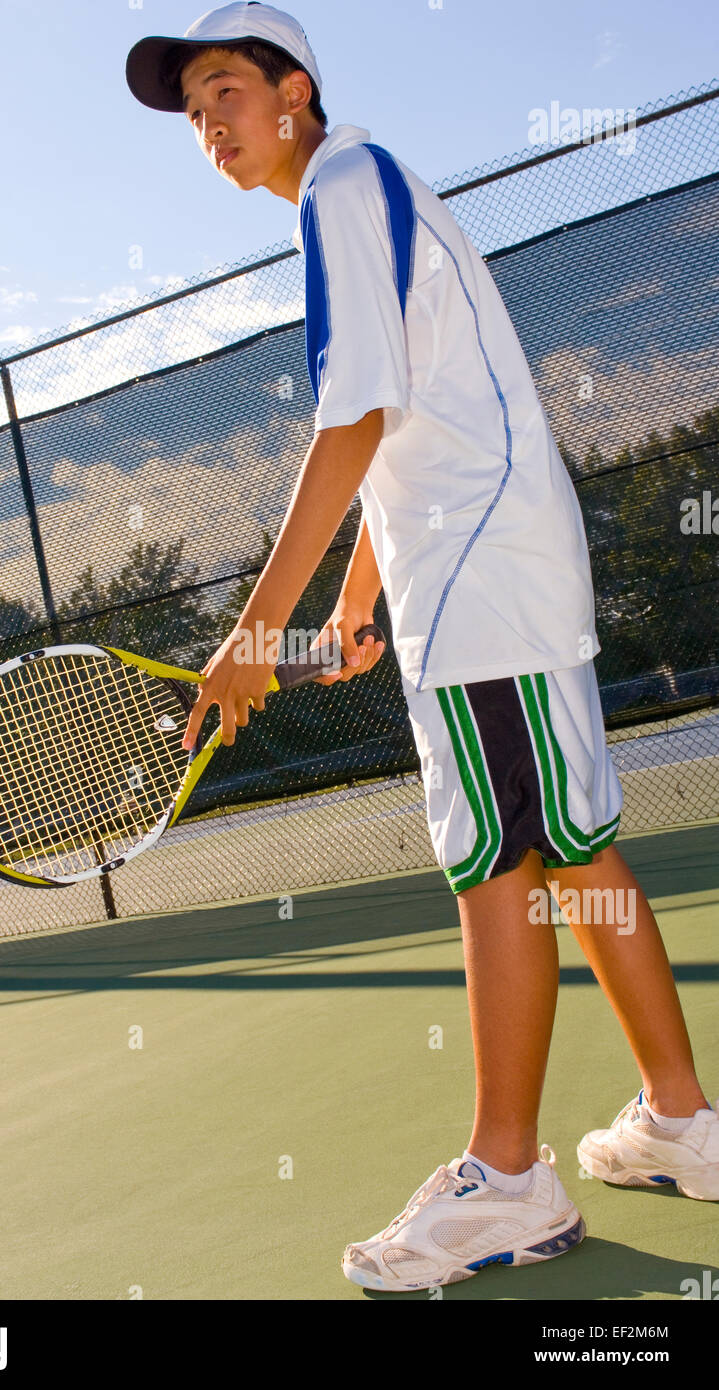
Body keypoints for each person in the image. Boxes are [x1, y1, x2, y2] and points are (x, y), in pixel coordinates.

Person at [126, 3, 718, 1291]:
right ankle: (683, 1118)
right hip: (500, 569)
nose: (208, 124)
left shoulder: (339, 189)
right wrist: (349, 603)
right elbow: (406, 425)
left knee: (493, 861)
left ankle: (507, 1180)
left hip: (482, 587)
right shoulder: (373, 187)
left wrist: (254, 630)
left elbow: (353, 423)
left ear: (295, 93)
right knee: (571, 847)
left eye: (224, 90)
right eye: (191, 113)